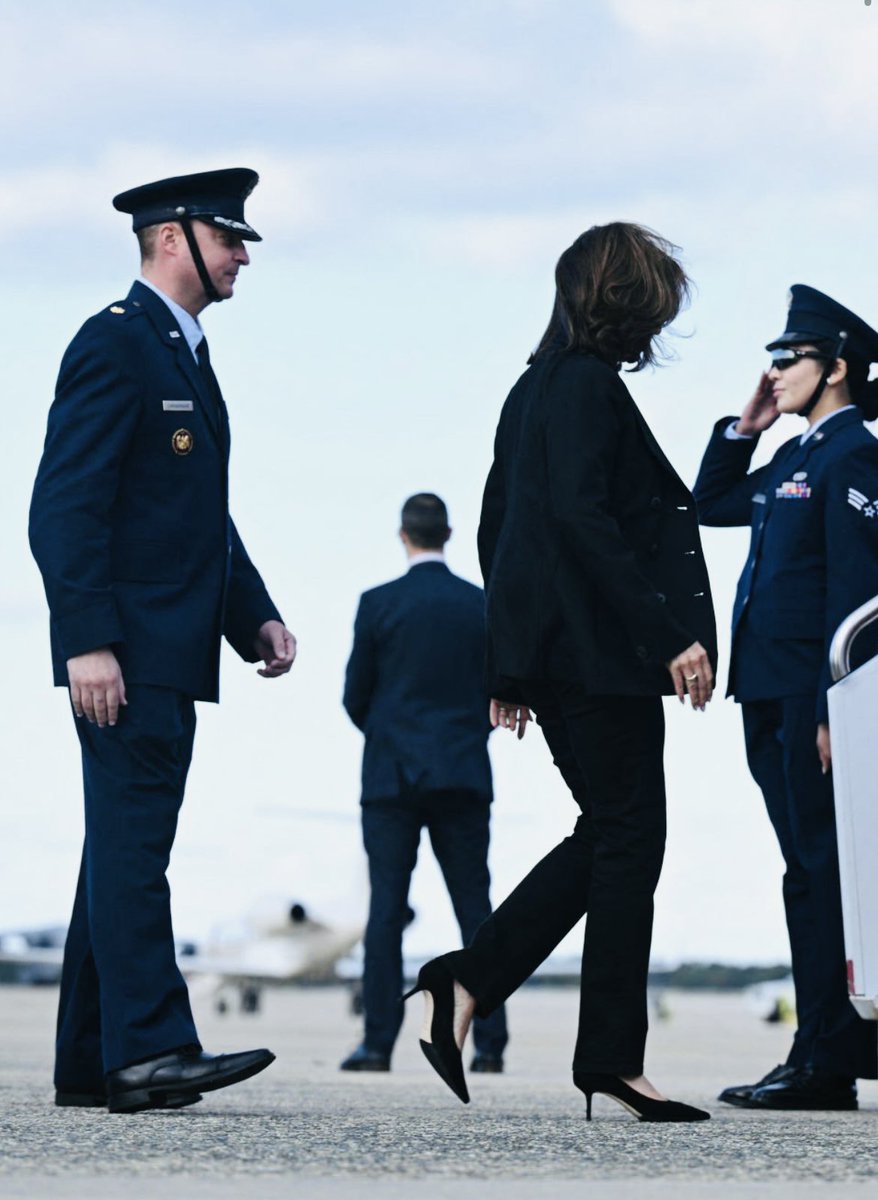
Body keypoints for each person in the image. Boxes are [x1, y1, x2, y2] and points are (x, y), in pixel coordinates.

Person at [404, 224, 717, 1122]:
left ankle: (472, 991)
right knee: (628, 834)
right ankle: (584, 1044)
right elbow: (582, 523)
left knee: (615, 834)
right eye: (653, 304)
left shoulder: (532, 389)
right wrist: (667, 636)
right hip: (600, 659)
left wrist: (511, 667)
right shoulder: (584, 390)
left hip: (559, 657)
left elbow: (501, 529)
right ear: (626, 303)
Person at [29, 168, 297, 1114]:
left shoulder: (185, 356)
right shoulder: (115, 344)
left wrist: (252, 613)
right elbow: (64, 508)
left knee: (119, 846)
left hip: (170, 647)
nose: (243, 255)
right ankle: (148, 1053)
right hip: (129, 654)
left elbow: (197, 519)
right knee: (137, 850)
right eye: (230, 237)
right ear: (173, 239)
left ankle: (88, 1060)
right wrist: (88, 641)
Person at [694, 284, 878, 1111]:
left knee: (818, 875)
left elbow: (858, 591)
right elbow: (710, 504)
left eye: (789, 358)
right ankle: (819, 1048)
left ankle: (827, 1062)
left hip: (813, 702)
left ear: (836, 368)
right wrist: (744, 430)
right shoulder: (795, 456)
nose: (773, 370)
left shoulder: (853, 457)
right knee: (805, 874)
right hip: (765, 693)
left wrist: (840, 708)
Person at [340, 494, 508, 1073]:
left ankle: (376, 1044)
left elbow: (354, 697)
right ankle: (490, 1045)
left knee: (385, 911)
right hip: (462, 773)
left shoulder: (378, 604)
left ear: (403, 536)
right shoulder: (480, 606)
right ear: (449, 534)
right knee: (477, 913)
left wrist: (393, 739)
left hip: (391, 779)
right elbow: (500, 690)